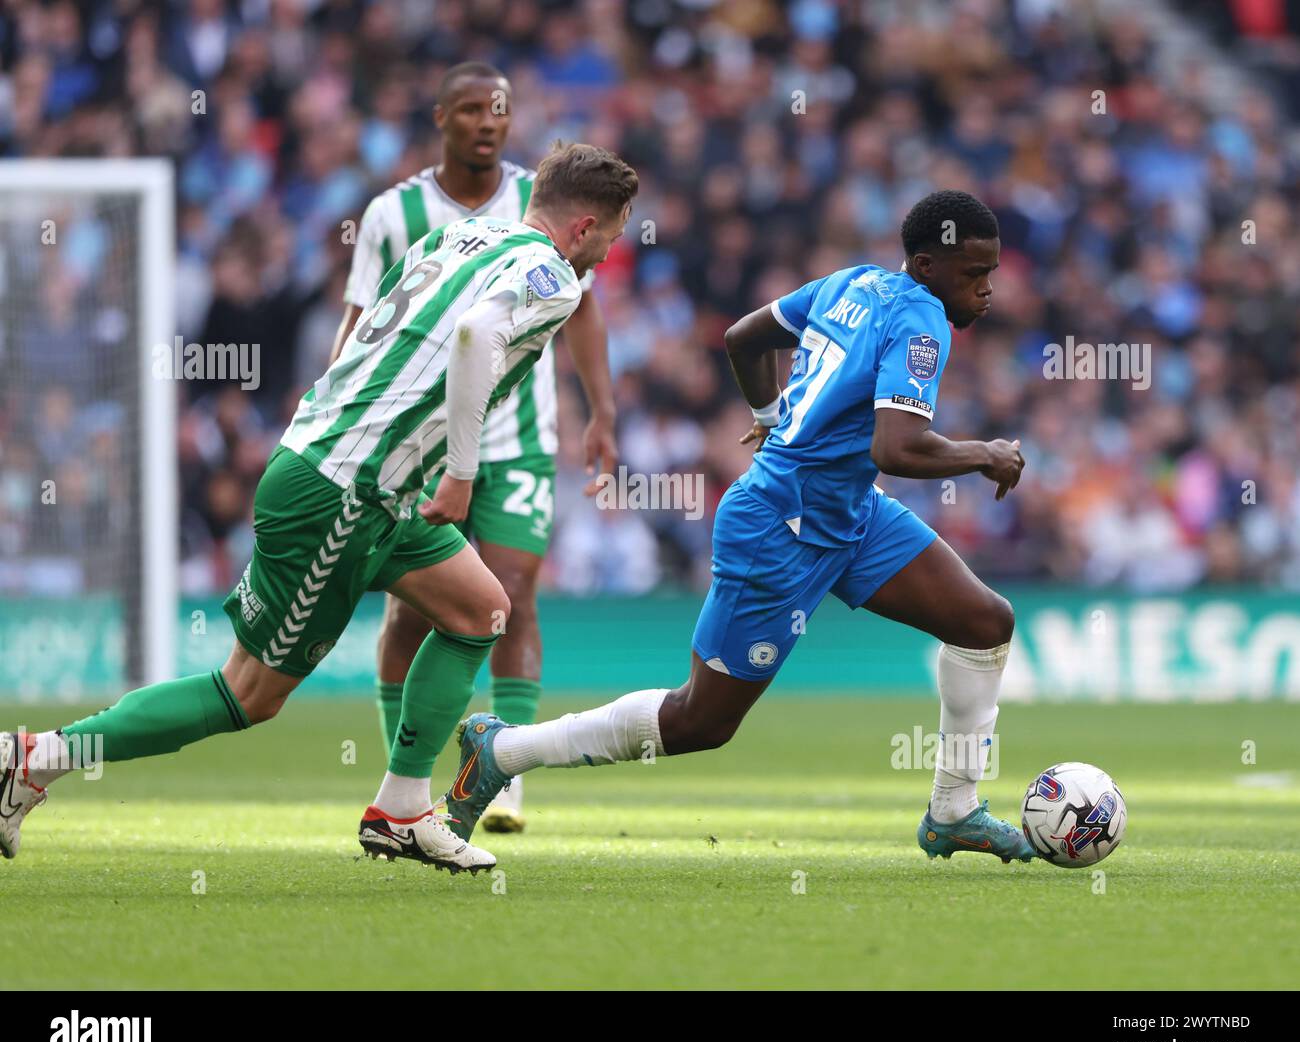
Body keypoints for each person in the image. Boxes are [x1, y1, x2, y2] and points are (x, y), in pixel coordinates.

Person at [0, 143, 639, 874]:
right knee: (245, 694)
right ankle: (35, 758)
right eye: (613, 239)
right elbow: (475, 335)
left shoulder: (459, 235)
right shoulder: (552, 275)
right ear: (584, 227)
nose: (607, 255)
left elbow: (373, 329)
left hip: (358, 477)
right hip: (344, 492)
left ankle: (401, 807)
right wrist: (461, 474)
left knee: (479, 612)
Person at [437, 190, 1037, 865]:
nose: (987, 291)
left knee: (984, 623)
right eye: (973, 275)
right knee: (701, 720)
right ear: (926, 265)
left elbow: (743, 336)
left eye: (990, 275)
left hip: (849, 511)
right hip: (779, 525)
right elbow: (896, 449)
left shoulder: (852, 283)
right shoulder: (923, 319)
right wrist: (984, 452)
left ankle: (954, 810)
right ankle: (502, 750)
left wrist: (769, 411)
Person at [331, 61, 618, 834]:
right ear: (440, 119)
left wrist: (602, 409)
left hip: (519, 437)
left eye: (500, 110)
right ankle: (407, 775)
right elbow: (364, 315)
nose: (489, 122)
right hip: (420, 440)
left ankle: (509, 768)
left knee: (513, 593)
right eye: (471, 110)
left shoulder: (545, 203)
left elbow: (582, 313)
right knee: (415, 612)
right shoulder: (394, 212)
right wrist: (336, 398)